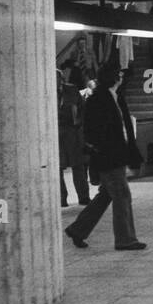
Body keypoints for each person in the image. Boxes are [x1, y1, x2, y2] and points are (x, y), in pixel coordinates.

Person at [65, 62, 146, 250]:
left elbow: (124, 127)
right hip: (108, 156)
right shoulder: (98, 99)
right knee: (122, 196)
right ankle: (125, 239)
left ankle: (78, 229)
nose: (122, 77)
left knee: (107, 195)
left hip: (118, 153)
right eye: (119, 74)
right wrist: (100, 150)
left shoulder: (117, 97)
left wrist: (131, 152)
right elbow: (91, 130)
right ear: (112, 77)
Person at [58, 65, 91, 207]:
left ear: (61, 79)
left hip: (72, 131)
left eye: (58, 78)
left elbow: (82, 108)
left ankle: (83, 197)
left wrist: (81, 125)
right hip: (56, 133)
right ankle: (61, 198)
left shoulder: (71, 90)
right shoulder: (44, 91)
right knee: (57, 168)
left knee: (78, 166)